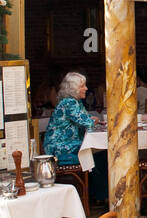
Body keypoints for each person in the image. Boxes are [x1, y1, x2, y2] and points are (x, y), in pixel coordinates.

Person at [42, 72, 105, 203]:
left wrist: (90, 120)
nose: (86, 88)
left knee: (99, 154)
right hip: (59, 148)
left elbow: (84, 120)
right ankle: (100, 195)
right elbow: (87, 122)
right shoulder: (69, 103)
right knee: (101, 155)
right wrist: (94, 120)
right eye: (83, 86)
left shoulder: (75, 102)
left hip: (68, 143)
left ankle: (97, 194)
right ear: (74, 88)